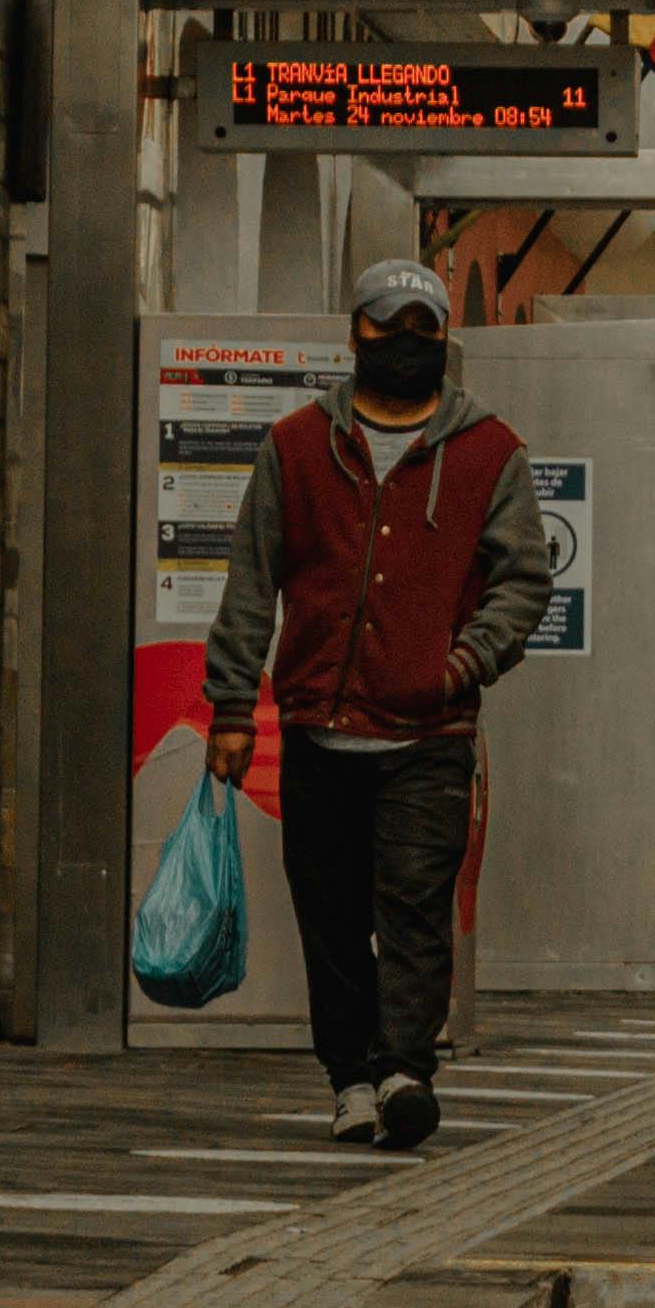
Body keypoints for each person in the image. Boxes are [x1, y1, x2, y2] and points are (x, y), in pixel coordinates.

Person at [201, 260, 555, 1151]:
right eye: (385, 325)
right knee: (327, 915)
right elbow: (252, 583)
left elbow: (524, 579)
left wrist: (462, 664)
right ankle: (349, 1078)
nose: (403, 341)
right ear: (353, 334)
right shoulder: (292, 448)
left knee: (412, 908)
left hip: (430, 733)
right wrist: (233, 708)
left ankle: (404, 1070)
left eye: (423, 328)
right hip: (318, 728)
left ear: (445, 340)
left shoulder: (489, 453)